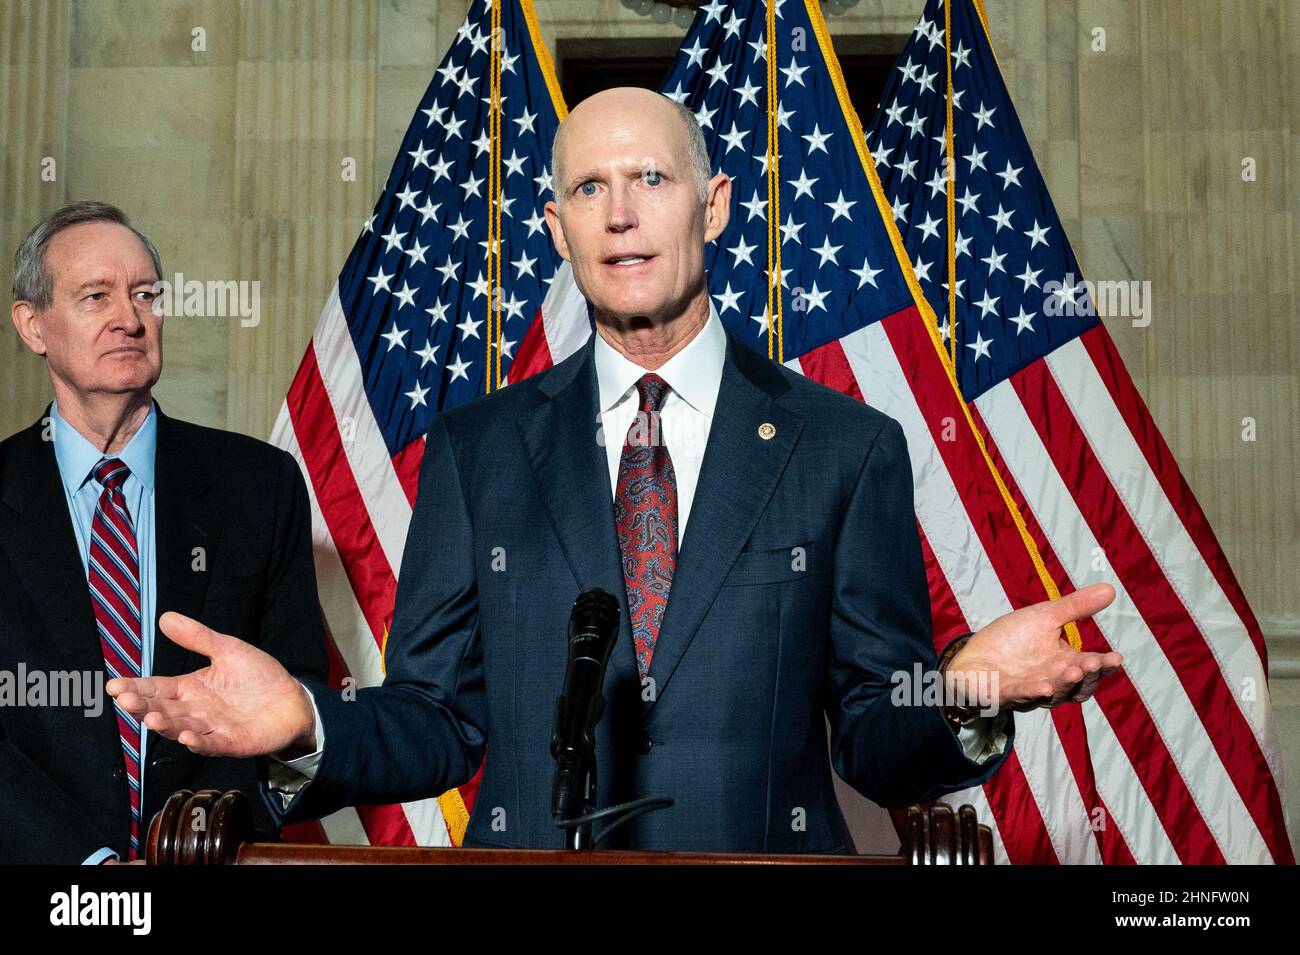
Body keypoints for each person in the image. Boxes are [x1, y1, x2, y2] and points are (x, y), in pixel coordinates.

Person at [109, 89, 1121, 853]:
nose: (621, 213)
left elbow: (870, 734)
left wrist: (958, 690)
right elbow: (437, 722)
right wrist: (308, 720)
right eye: (589, 187)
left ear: (714, 206)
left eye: (651, 180)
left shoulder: (844, 447)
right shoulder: (477, 449)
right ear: (557, 230)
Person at [2, 201, 329, 863]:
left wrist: (195, 843)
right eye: (97, 296)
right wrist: (92, 870)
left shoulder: (259, 484)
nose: (130, 317)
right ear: (33, 325)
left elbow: (298, 699)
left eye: (145, 293)